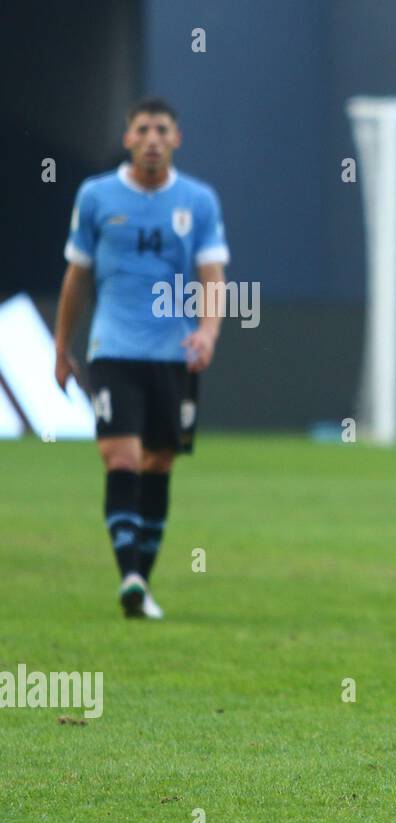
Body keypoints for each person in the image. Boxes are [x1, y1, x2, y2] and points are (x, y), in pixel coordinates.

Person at [54, 97, 229, 618]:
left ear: (177, 139)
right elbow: (77, 277)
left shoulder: (198, 201)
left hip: (173, 355)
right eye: (143, 129)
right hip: (113, 349)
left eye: (162, 129)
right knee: (121, 458)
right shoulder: (96, 196)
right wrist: (62, 347)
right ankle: (130, 574)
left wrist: (208, 333)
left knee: (158, 462)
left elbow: (212, 275)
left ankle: (139, 584)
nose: (152, 138)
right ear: (128, 138)